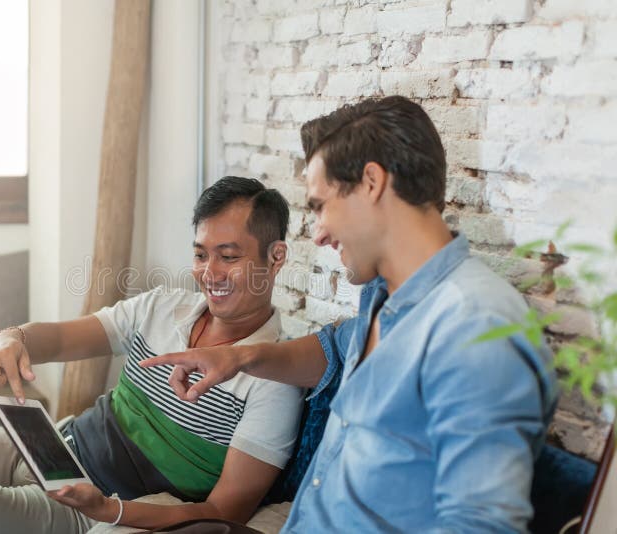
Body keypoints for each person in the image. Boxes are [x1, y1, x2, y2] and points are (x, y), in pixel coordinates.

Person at [143, 96, 558, 532]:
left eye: (321, 205)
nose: (318, 234)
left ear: (371, 182)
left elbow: (480, 525)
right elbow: (332, 351)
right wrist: (238, 358)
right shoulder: (387, 298)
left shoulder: (474, 326)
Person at [0, 176, 304, 534]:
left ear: (275, 258)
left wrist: (109, 511)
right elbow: (61, 339)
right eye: (200, 254)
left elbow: (223, 514)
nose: (210, 272)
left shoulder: (274, 379)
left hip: (90, 502)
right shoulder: (162, 306)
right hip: (53, 444)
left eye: (229, 256)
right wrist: (12, 338)